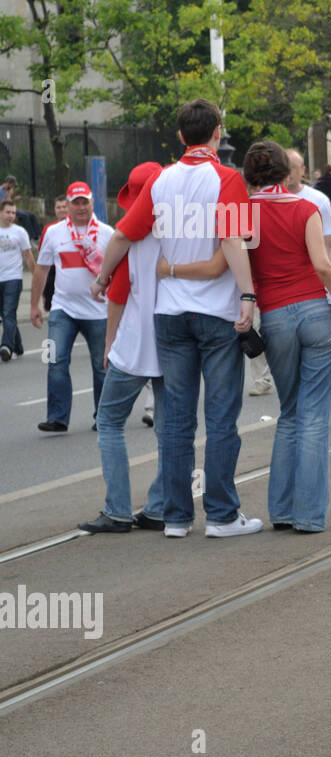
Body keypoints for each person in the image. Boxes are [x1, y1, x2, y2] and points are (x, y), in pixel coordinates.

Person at [93, 98, 263, 539]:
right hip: (216, 312)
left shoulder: (161, 181)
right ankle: (223, 515)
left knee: (177, 421)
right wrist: (247, 294)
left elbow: (124, 234)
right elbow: (233, 240)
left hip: (170, 313)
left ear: (181, 137)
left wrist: (103, 274)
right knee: (222, 415)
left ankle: (175, 516)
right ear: (218, 133)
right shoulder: (228, 179)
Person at [234, 140, 331, 530]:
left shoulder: (242, 213)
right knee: (315, 416)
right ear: (287, 171)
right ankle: (310, 515)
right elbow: (323, 263)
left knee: (289, 413)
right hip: (316, 312)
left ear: (249, 175)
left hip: (276, 316)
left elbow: (237, 266)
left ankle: (281, 511)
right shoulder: (307, 208)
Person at [76, 161, 187, 534]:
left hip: (138, 343)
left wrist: (109, 343)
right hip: (177, 340)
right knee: (170, 429)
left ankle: (118, 509)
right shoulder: (183, 230)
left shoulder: (131, 235)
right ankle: (159, 506)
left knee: (108, 421)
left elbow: (118, 295)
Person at [30, 182, 111, 432]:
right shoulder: (54, 232)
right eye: (75, 203)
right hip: (62, 308)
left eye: (84, 202)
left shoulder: (107, 233)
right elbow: (42, 269)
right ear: (67, 205)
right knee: (54, 359)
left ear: (92, 203)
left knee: (102, 365)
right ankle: (57, 417)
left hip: (98, 311)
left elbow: (120, 271)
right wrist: (35, 305)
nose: (80, 207)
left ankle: (104, 416)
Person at [0, 199, 36, 362]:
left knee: (8, 312)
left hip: (13, 278)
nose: (11, 216)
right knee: (7, 314)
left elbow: (28, 255)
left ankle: (5, 346)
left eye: (13, 213)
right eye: (8, 212)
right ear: (1, 213)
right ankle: (18, 346)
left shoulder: (20, 232)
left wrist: (36, 277)